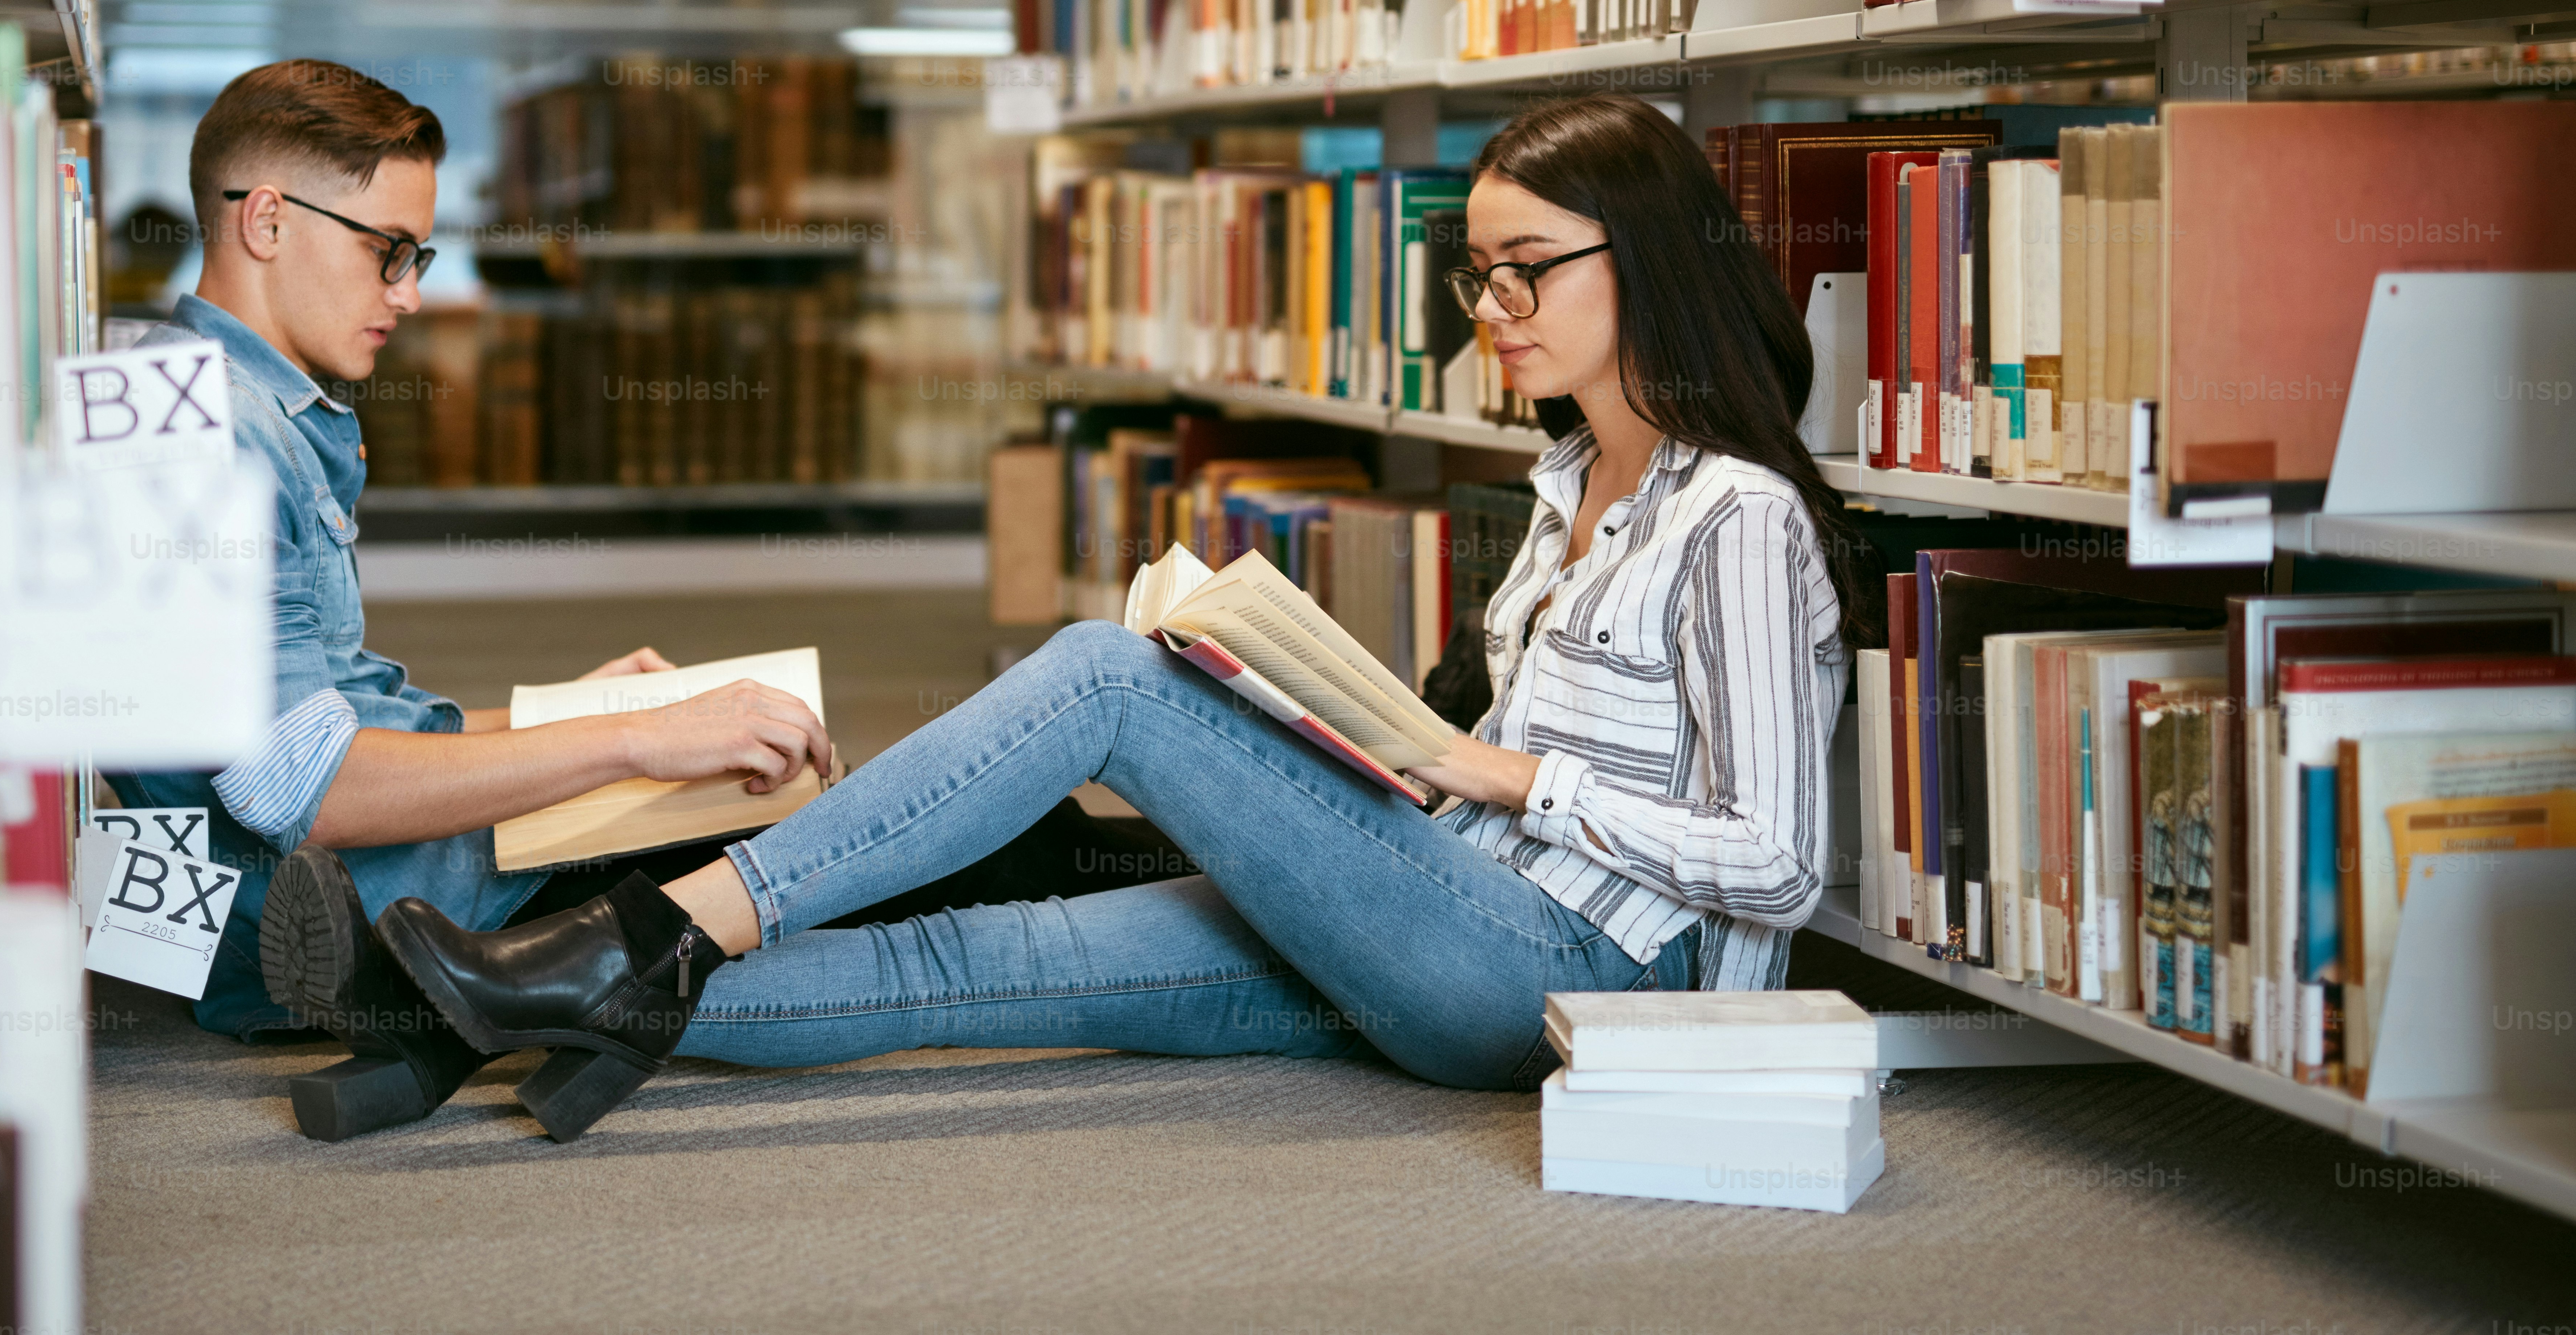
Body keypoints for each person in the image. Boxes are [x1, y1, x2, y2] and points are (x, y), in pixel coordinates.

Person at [371, 93, 1872, 1141]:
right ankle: (503, 1004)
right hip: (1429, 914)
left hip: (1568, 977)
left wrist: (1504, 773)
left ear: (1650, 261)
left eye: (1528, 268)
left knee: (1107, 674)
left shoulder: (1732, 513)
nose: (1492, 306)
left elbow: (1781, 861)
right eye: (1475, 273)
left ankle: (657, 926)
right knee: (968, 966)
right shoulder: (1561, 489)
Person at [108, 59, 1175, 1140]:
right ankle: (1254, 896)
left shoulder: (211, 400)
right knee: (913, 839)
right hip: (399, 895)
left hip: (379, 877)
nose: (411, 294)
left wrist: (559, 717)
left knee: (853, 819)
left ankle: (1228, 895)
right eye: (386, 251)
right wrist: (630, 744)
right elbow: (310, 787)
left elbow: (329, 725)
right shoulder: (216, 439)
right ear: (269, 222)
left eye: (417, 256)